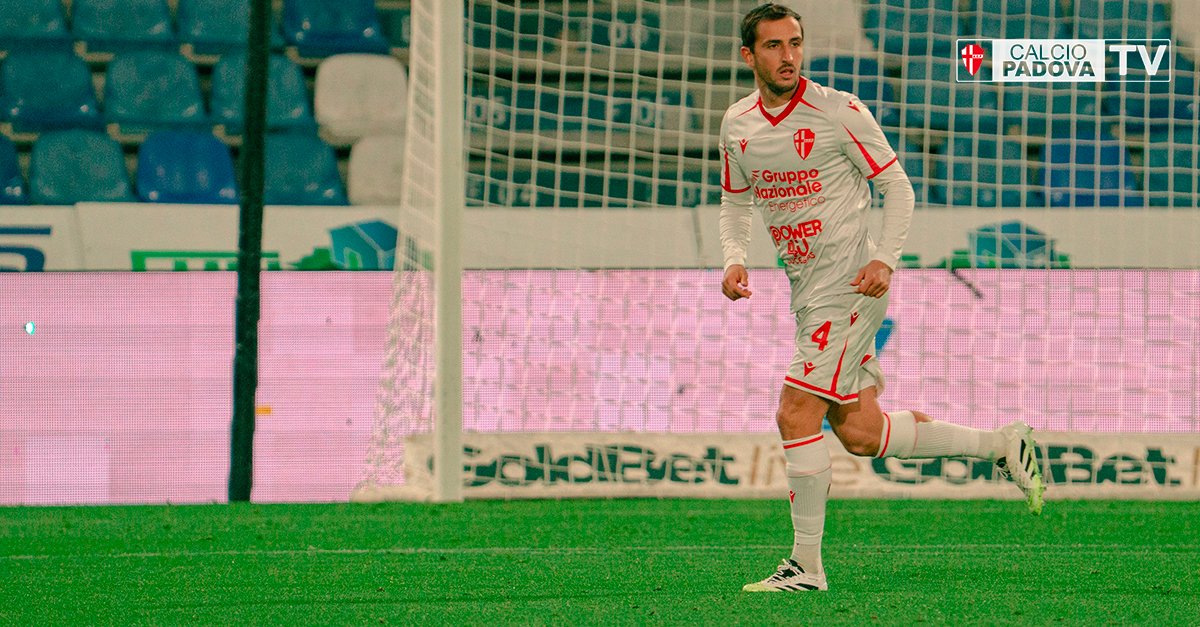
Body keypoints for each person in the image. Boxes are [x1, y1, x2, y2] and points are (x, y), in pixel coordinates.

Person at [718, 3, 1045, 593]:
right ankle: (1001, 445)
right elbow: (736, 200)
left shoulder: (838, 110)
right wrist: (733, 257)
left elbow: (896, 184)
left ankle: (806, 567)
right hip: (807, 290)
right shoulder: (737, 124)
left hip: (850, 286)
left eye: (795, 43)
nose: (789, 56)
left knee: (794, 413)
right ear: (749, 55)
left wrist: (885, 259)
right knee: (863, 434)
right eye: (773, 46)